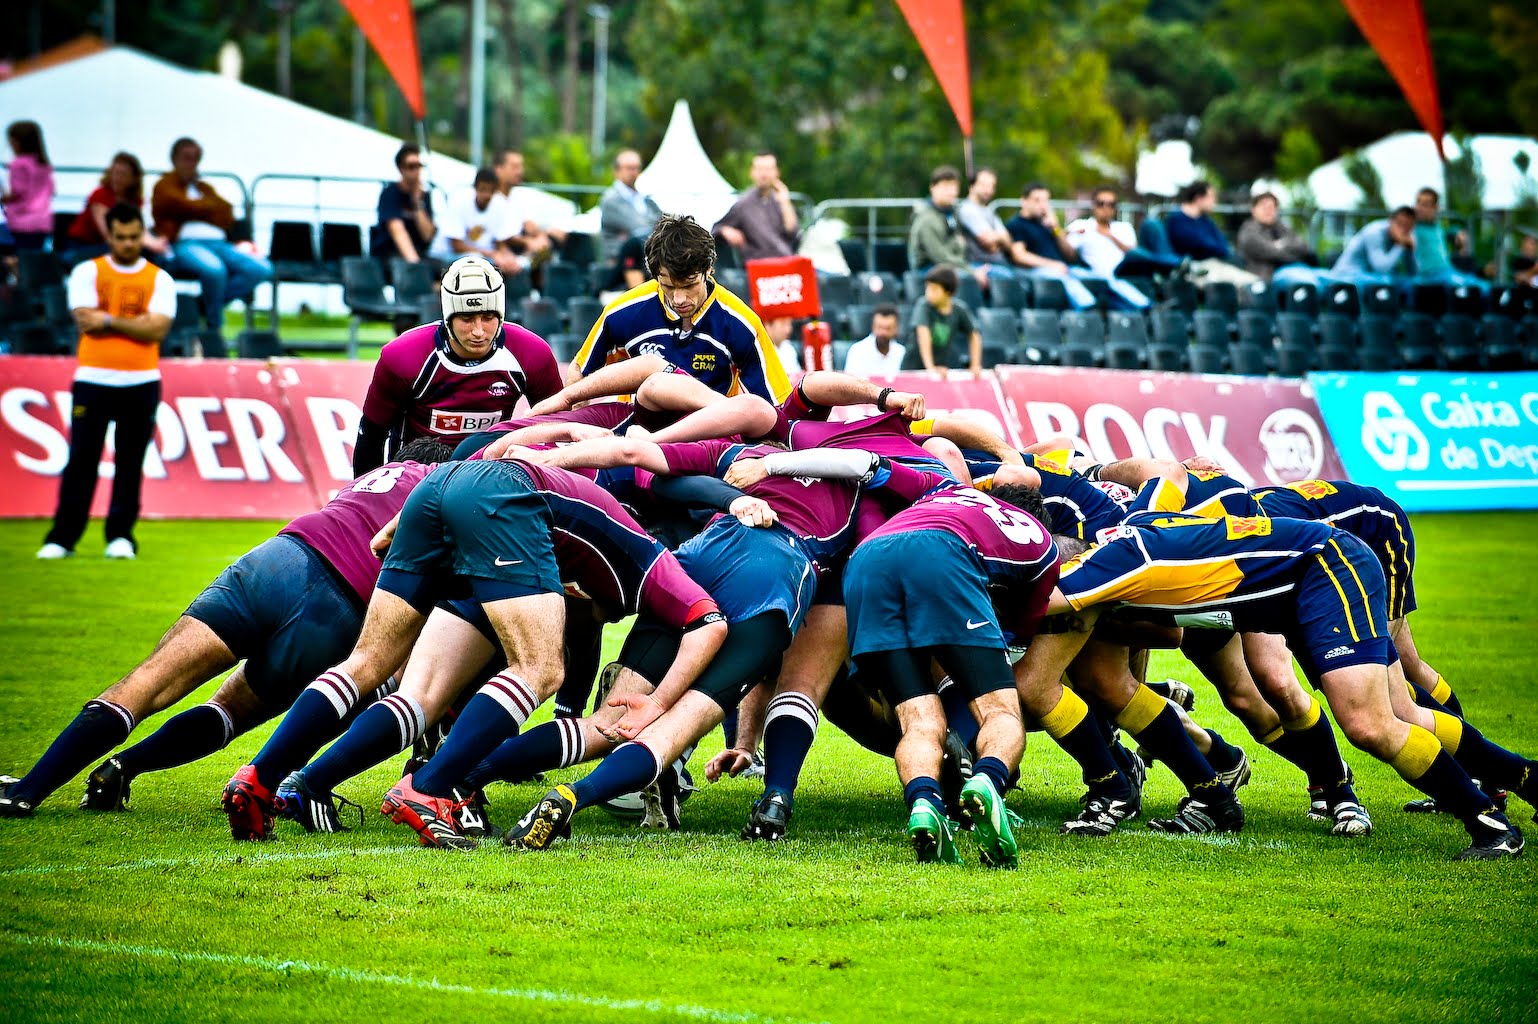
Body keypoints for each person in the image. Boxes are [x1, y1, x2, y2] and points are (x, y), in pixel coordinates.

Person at [0, 439, 454, 819]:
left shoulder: (377, 475)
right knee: (231, 711)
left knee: (147, 682)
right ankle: (128, 765)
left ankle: (29, 788)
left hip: (277, 561)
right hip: (340, 608)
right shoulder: (446, 486)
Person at [1044, 504, 1528, 859]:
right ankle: (1528, 779)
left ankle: (1492, 826)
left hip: (1325, 569)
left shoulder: (1105, 564)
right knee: (1400, 715)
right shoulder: (1123, 540)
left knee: (1369, 724)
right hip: (1291, 589)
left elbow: (1048, 602)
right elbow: (1171, 626)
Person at [36, 204, 176, 563]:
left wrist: (109, 319)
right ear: (109, 235)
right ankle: (63, 537)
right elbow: (85, 320)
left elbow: (157, 329)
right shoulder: (87, 271)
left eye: (133, 237)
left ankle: (120, 535)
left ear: (140, 234)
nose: (128, 244)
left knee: (130, 464)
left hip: (141, 381)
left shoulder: (159, 278)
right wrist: (135, 323)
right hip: (94, 380)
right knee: (81, 459)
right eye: (121, 237)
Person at [352, 253, 563, 475]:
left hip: (485, 478)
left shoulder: (531, 354)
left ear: (501, 315)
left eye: (488, 317)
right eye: (467, 319)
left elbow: (558, 428)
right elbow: (371, 436)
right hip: (414, 477)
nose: (479, 331)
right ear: (448, 316)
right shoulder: (404, 356)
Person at [569, 214, 791, 403]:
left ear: (709, 269)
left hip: (707, 436)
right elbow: (578, 372)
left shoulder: (741, 323)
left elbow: (775, 403)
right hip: (635, 435)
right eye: (667, 286)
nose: (679, 298)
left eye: (689, 285)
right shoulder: (621, 312)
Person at [150, 137, 273, 333]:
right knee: (215, 270)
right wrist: (206, 209)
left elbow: (227, 211)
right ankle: (214, 328)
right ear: (174, 159)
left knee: (261, 268)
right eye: (186, 158)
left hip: (219, 243)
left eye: (195, 158)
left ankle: (201, 305)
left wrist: (196, 210)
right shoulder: (164, 185)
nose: (191, 163)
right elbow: (178, 205)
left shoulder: (204, 188)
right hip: (186, 244)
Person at [1064, 186, 1182, 293]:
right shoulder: (1081, 226)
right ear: (1094, 206)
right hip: (1107, 273)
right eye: (1101, 203)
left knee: (1151, 224)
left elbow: (1133, 251)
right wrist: (1064, 233)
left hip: (1127, 268)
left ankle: (1169, 266)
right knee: (1137, 254)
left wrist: (1110, 236)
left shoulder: (1124, 227)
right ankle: (1174, 265)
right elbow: (1069, 254)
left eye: (1111, 204)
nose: (1106, 208)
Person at [1003, 182, 1100, 310]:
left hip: (1064, 268)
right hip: (1035, 271)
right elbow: (1019, 256)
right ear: (1024, 201)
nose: (1042, 205)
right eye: (1037, 200)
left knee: (1099, 277)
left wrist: (1056, 228)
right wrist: (1052, 265)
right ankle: (1089, 307)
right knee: (1059, 276)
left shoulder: (1047, 225)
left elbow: (1070, 255)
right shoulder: (1016, 224)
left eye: (1045, 201)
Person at [64, 152, 168, 266]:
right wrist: (149, 243)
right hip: (84, 246)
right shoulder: (100, 195)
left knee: (151, 253)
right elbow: (109, 233)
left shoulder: (134, 200)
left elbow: (139, 227)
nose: (117, 178)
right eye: (114, 173)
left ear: (134, 178)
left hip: (111, 245)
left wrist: (155, 242)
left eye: (123, 174)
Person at [427, 167, 531, 281]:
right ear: (475, 188)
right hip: (443, 257)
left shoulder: (499, 205)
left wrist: (508, 258)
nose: (486, 195)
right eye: (483, 190)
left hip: (481, 258)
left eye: (490, 191)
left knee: (515, 264)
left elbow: (499, 243)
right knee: (477, 262)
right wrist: (493, 255)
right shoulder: (459, 201)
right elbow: (456, 246)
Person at [1163, 181, 1258, 286]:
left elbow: (1221, 245)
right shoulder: (1177, 220)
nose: (1214, 201)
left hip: (1216, 263)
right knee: (1248, 285)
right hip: (1196, 268)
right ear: (1199, 198)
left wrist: (1213, 247)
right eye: (1211, 196)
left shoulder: (1205, 220)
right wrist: (1213, 247)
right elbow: (1198, 245)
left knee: (1255, 282)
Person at [908, 165, 986, 289]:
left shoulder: (953, 213)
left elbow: (960, 247)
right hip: (929, 270)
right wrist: (971, 272)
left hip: (956, 266)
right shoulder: (926, 219)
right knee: (969, 280)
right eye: (945, 186)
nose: (951, 191)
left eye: (954, 186)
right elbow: (940, 257)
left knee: (1001, 275)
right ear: (933, 188)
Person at [713, 151, 799, 262]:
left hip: (786, 260)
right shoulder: (744, 204)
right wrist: (724, 230)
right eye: (759, 169)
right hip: (759, 264)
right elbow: (716, 228)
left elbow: (792, 232)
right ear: (752, 172)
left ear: (776, 172)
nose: (763, 174)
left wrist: (785, 202)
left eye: (768, 169)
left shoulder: (780, 199)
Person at [371, 143, 437, 270]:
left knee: (448, 271)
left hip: (419, 254)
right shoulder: (390, 193)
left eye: (419, 166)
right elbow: (397, 232)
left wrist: (417, 203)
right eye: (411, 166)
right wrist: (417, 267)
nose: (416, 171)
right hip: (390, 254)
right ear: (401, 169)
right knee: (407, 271)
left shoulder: (424, 197)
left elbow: (427, 235)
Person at [1410, 187, 1489, 293]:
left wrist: (1457, 233)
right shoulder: (1413, 226)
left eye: (1424, 205)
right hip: (1429, 276)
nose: (1418, 208)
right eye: (1418, 203)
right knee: (1474, 288)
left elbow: (1446, 232)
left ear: (1436, 208)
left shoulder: (1436, 227)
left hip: (1448, 272)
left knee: (1485, 286)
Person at [491, 148, 565, 259]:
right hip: (501, 250)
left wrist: (542, 236)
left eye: (521, 166)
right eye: (515, 167)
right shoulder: (489, 199)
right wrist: (529, 242)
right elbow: (500, 236)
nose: (520, 171)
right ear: (498, 169)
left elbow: (530, 226)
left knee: (561, 236)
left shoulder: (518, 196)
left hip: (520, 245)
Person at [911, 265, 981, 378]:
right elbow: (923, 334)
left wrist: (975, 365)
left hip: (939, 372)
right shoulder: (923, 306)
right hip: (912, 371)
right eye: (927, 287)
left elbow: (974, 334)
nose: (928, 293)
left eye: (934, 289)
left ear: (948, 292)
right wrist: (930, 368)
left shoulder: (959, 309)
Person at [952, 167, 1017, 285]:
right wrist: (1002, 239)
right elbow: (990, 245)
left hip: (1000, 265)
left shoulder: (989, 212)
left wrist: (999, 240)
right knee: (1014, 283)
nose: (988, 190)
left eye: (991, 186)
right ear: (971, 186)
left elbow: (1009, 243)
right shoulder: (967, 210)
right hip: (981, 265)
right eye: (983, 185)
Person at [1236, 192, 1315, 283]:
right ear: (1253, 209)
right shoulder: (1248, 231)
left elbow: (1303, 246)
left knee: (1328, 280)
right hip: (1269, 276)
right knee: (1309, 282)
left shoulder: (1281, 227)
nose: (1268, 210)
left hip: (1300, 269)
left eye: (1272, 207)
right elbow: (1270, 252)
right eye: (1264, 207)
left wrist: (1280, 245)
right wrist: (1293, 254)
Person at [600, 149, 664, 261]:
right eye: (629, 168)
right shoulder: (610, 200)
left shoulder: (645, 199)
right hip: (620, 262)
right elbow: (638, 226)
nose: (633, 172)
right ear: (617, 171)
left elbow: (664, 222)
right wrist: (654, 224)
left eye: (636, 168)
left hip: (645, 257)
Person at [2, 120, 55, 250]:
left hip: (22, 221)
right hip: (43, 221)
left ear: (17, 142)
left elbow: (18, 192)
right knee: (31, 258)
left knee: (18, 259)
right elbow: (52, 190)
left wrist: (3, 198)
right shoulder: (43, 163)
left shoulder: (18, 164)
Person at [1329, 207, 1416, 286]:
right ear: (1390, 220)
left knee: (1408, 283)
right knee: (1385, 282)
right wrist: (1400, 244)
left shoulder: (1406, 238)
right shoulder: (1374, 232)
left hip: (1369, 278)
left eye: (1408, 227)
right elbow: (1381, 269)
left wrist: (1410, 250)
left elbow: (1413, 273)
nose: (1403, 230)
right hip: (1347, 275)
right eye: (1400, 224)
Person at [841, 304, 906, 379]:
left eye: (888, 328)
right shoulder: (857, 350)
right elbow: (850, 383)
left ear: (896, 328)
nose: (883, 333)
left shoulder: (901, 352)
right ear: (873, 326)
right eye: (879, 327)